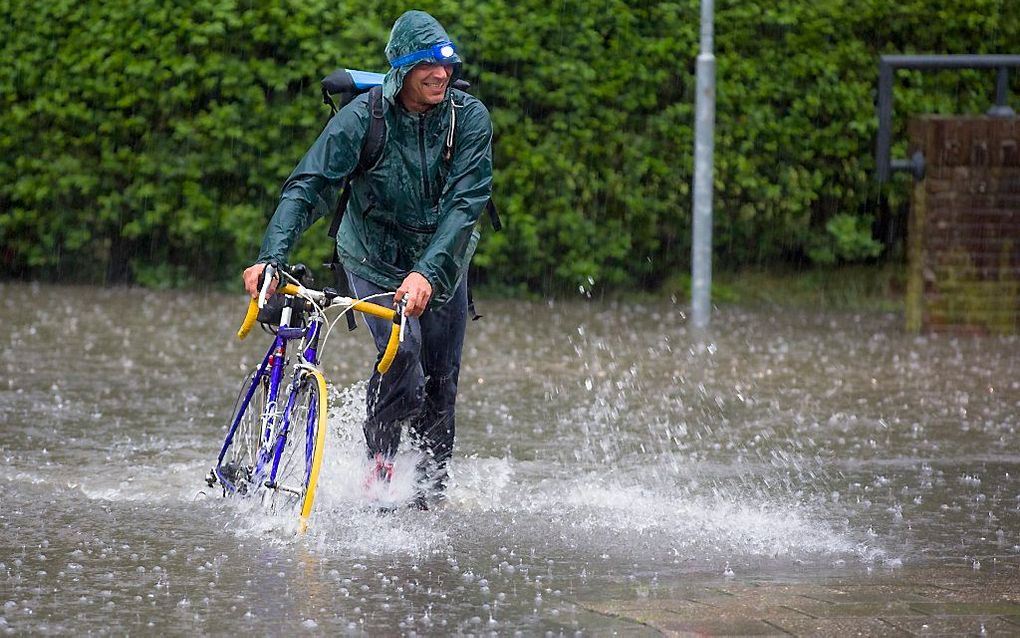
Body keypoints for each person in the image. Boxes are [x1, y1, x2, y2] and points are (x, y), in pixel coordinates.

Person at [242, 10, 493, 509]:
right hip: (371, 257)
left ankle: (428, 496)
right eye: (427, 66)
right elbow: (309, 186)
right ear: (401, 68)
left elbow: (466, 205)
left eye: (446, 66)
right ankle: (379, 465)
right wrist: (271, 256)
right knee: (403, 351)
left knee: (441, 380)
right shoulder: (363, 119)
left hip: (442, 261)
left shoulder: (469, 119)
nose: (440, 75)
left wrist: (427, 271)